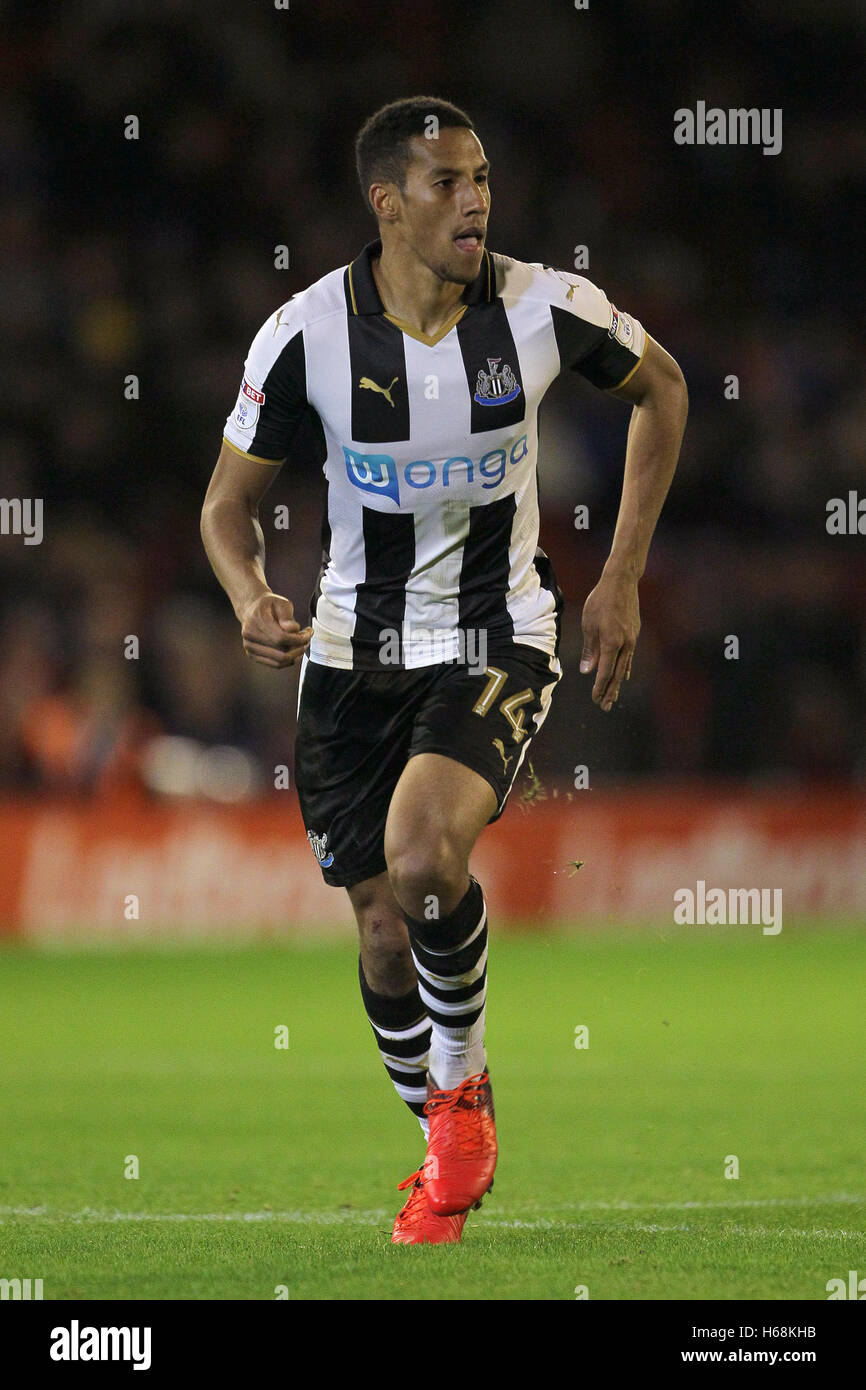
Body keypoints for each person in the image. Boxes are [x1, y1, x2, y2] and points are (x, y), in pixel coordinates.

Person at [200, 95, 688, 1245]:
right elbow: (228, 507)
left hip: (495, 634)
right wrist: (245, 596)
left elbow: (661, 388)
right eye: (446, 182)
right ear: (386, 203)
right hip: (348, 653)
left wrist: (619, 578)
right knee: (379, 926)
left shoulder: (540, 306)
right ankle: (440, 1137)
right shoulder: (304, 335)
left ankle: (460, 1097)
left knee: (425, 856)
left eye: (481, 177)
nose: (474, 199)